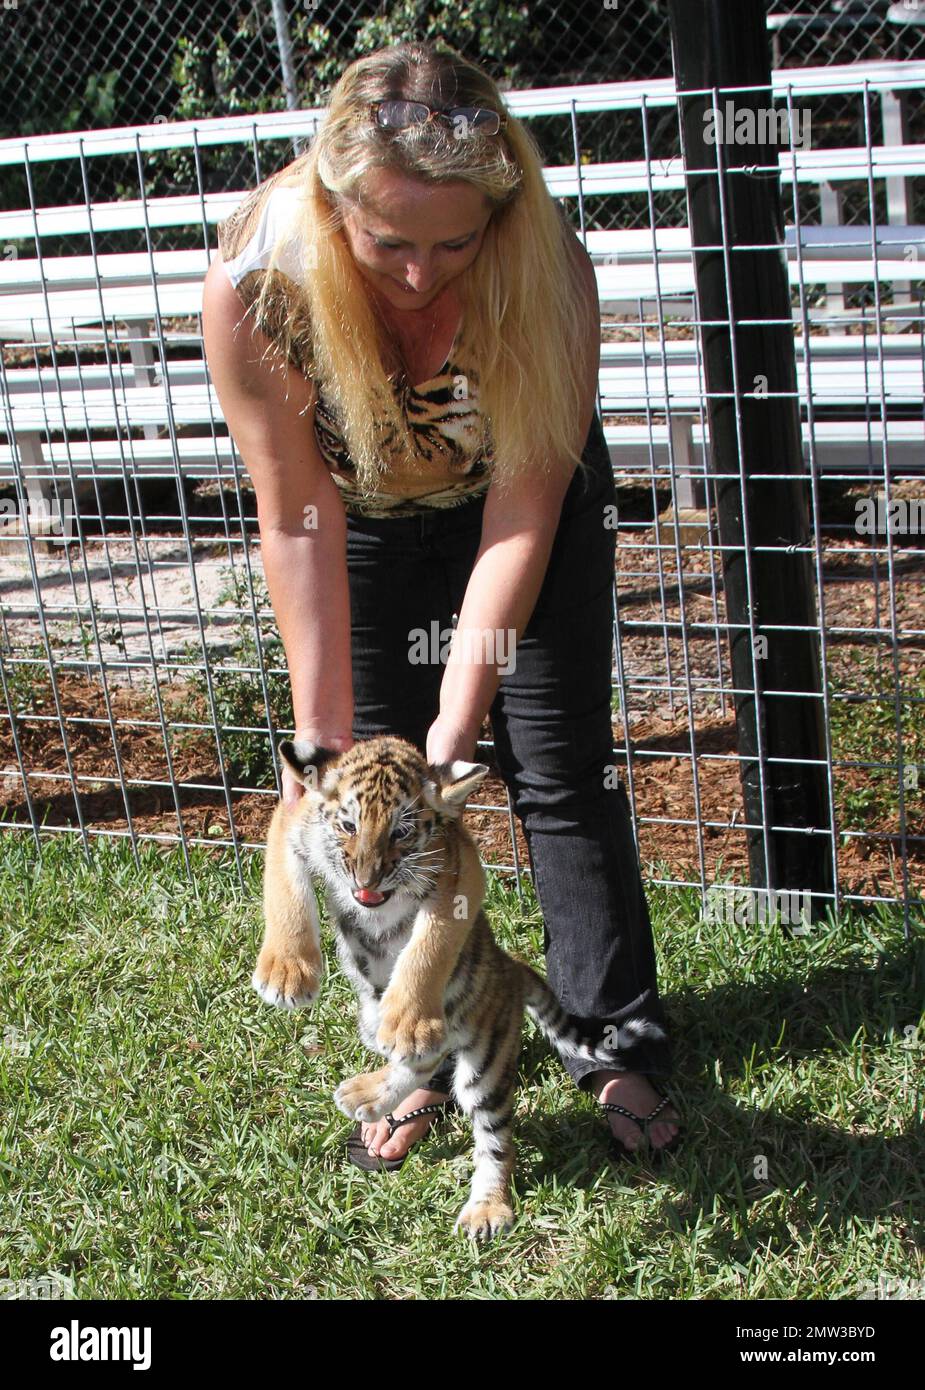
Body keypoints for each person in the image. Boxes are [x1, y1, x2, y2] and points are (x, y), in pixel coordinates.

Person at [202, 40, 681, 1168]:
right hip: (355, 519)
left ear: (497, 213)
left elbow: (525, 509)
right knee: (377, 808)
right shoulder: (256, 282)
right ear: (333, 208)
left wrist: (457, 730)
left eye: (455, 243)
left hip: (518, 509)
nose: (421, 274)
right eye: (388, 245)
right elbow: (295, 514)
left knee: (560, 767)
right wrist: (321, 742)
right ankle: (412, 1061)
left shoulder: (549, 270)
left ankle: (612, 1034)